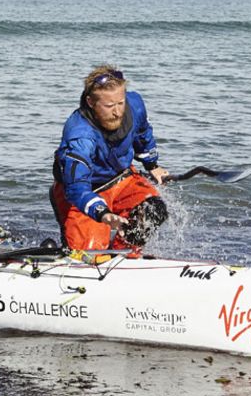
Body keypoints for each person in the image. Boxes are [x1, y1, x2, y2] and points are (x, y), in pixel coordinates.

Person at [50, 65, 171, 254]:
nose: (117, 112)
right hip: (85, 193)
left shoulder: (135, 104)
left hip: (122, 180)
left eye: (120, 103)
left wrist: (152, 164)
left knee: (154, 210)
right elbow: (76, 188)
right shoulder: (80, 135)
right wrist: (103, 213)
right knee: (89, 256)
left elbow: (142, 133)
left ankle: (123, 254)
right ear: (91, 102)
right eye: (109, 106)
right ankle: (84, 252)